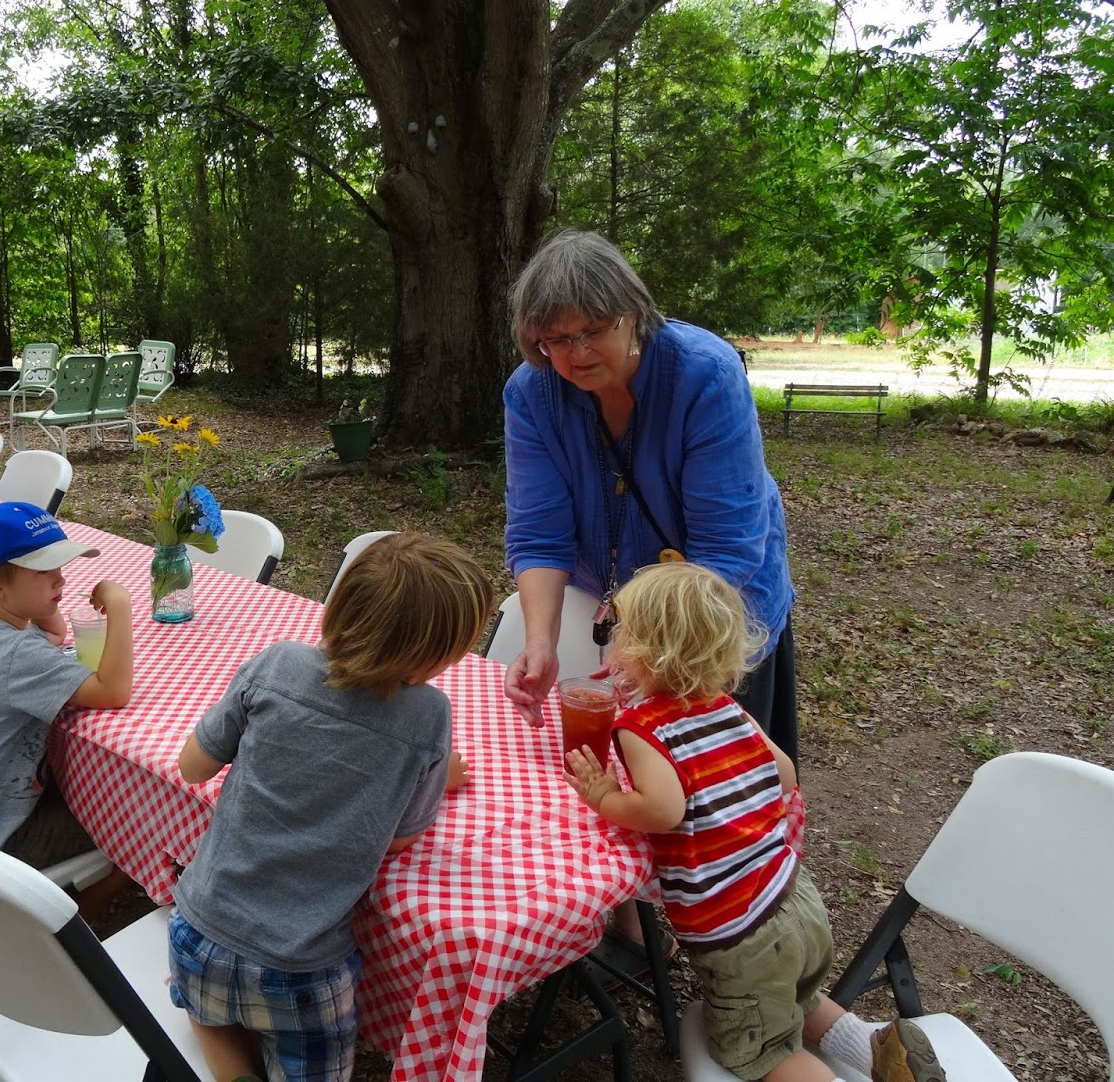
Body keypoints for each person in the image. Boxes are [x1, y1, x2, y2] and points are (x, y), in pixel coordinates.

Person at [568, 562, 945, 1082]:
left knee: (760, 1054)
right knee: (795, 997)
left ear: (647, 648)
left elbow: (662, 810)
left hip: (738, 933)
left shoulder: (642, 725)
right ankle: (875, 1049)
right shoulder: (728, 708)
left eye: (624, 630)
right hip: (796, 899)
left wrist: (605, 795)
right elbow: (785, 775)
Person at [167, 533, 492, 1082]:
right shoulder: (428, 717)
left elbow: (192, 768)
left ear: (340, 604)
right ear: (437, 655)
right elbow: (396, 840)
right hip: (301, 973)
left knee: (206, 1008)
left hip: (197, 935)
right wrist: (438, 780)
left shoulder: (276, 664)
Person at [501, 228, 798, 764]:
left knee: (720, 782)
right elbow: (539, 534)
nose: (577, 353)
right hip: (626, 612)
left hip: (716, 606)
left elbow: (726, 547)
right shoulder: (530, 394)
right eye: (557, 339)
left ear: (633, 314)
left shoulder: (705, 373)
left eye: (593, 330)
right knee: (633, 775)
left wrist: (648, 645)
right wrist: (539, 641)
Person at [0, 501, 131, 917]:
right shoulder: (17, 653)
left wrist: (46, 608)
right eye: (44, 572)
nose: (60, 580)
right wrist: (121, 605)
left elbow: (52, 638)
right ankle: (75, 929)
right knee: (135, 822)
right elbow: (113, 691)